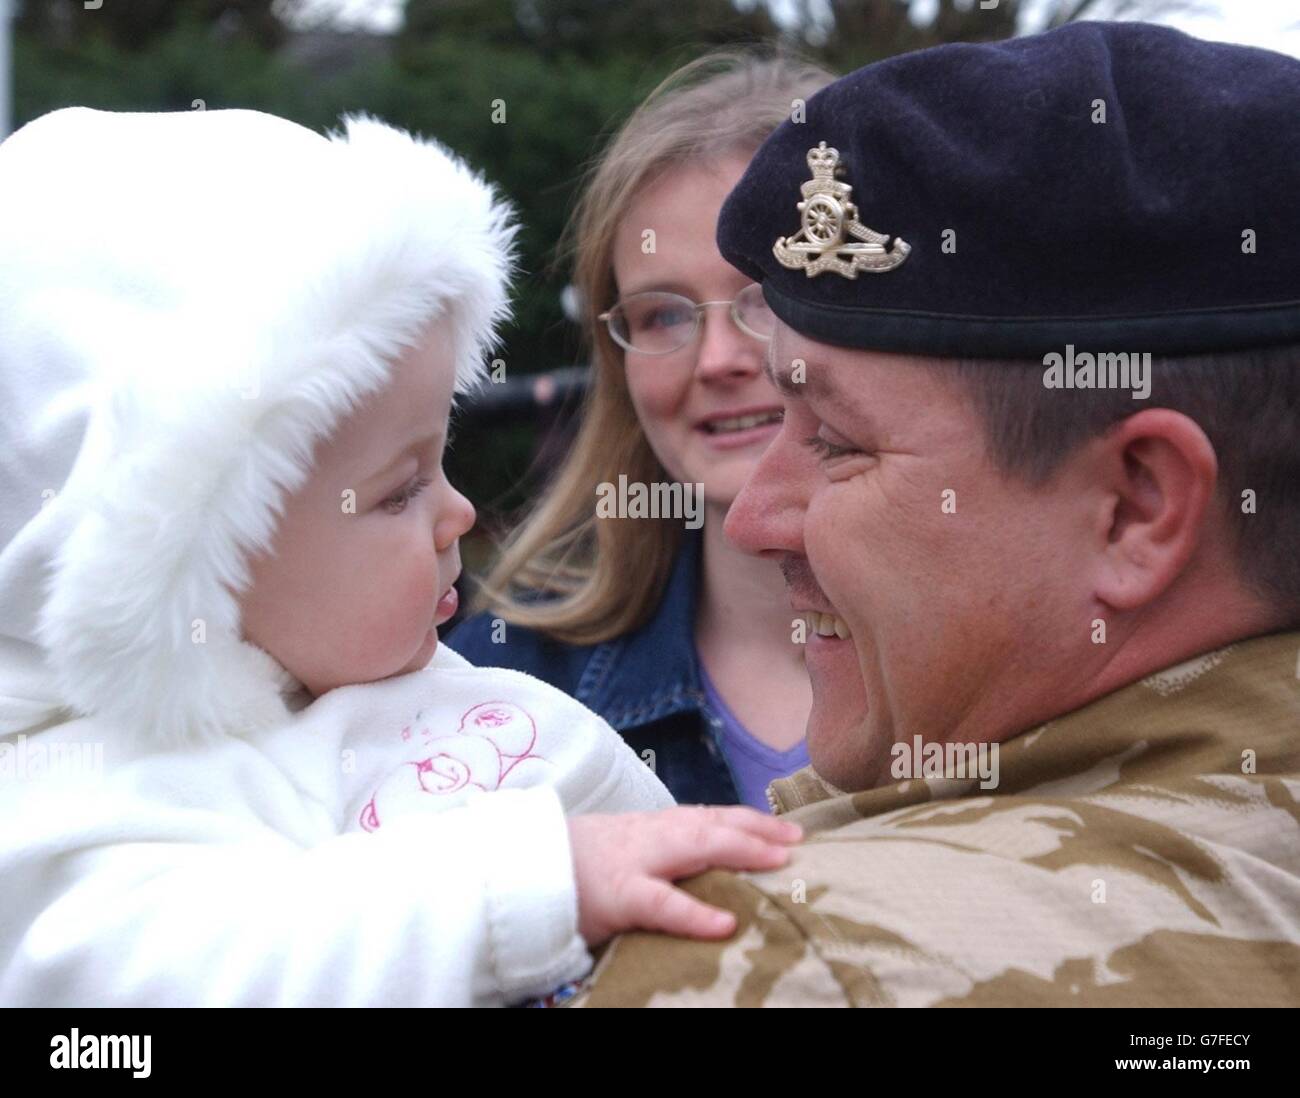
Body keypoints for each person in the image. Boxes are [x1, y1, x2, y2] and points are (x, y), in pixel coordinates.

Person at [566, 21, 1300, 1007]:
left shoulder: (782, 959)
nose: (758, 519)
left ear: (1135, 507)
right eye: (656, 316)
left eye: (834, 441)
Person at [0, 106, 801, 1007]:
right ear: (187, 573)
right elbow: (159, 977)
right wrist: (531, 893)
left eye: (440, 461)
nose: (458, 510)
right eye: (396, 490)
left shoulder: (455, 692)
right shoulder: (83, 796)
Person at [449, 52, 835, 810]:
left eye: (769, 298)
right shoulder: (513, 688)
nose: (717, 360)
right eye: (663, 314)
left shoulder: (1039, 661)